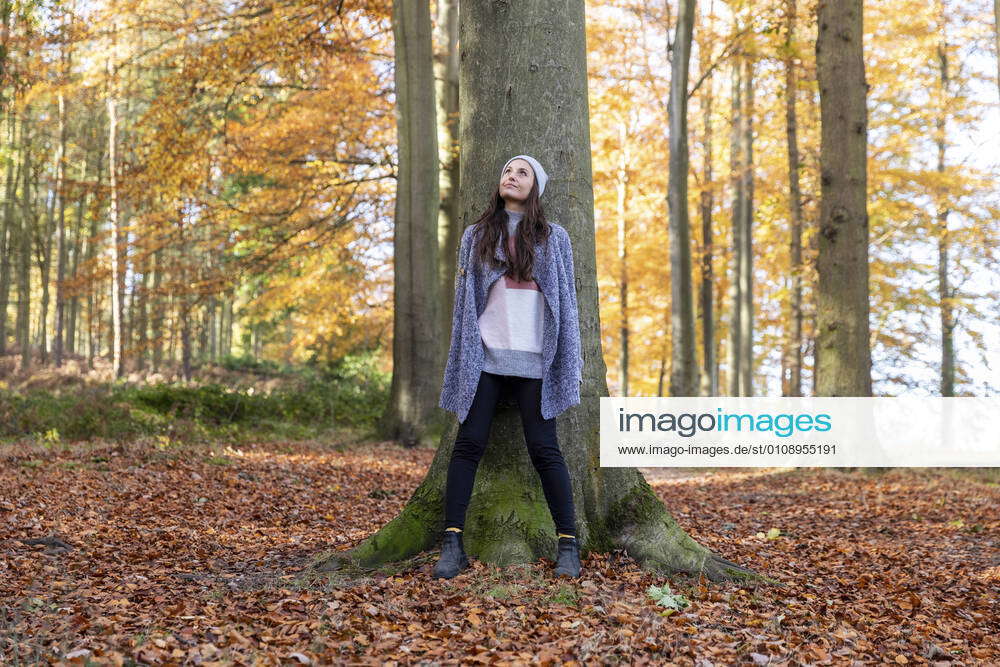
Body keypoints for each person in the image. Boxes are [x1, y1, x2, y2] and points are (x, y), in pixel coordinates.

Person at [435, 154, 584, 579]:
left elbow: (567, 305)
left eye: (522, 173)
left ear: (535, 186)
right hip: (486, 358)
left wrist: (569, 361)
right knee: (468, 444)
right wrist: (464, 356)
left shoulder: (554, 239)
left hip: (537, 361)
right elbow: (466, 304)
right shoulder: (476, 235)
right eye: (506, 171)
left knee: (545, 450)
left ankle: (568, 545)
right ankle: (451, 543)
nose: (511, 177)